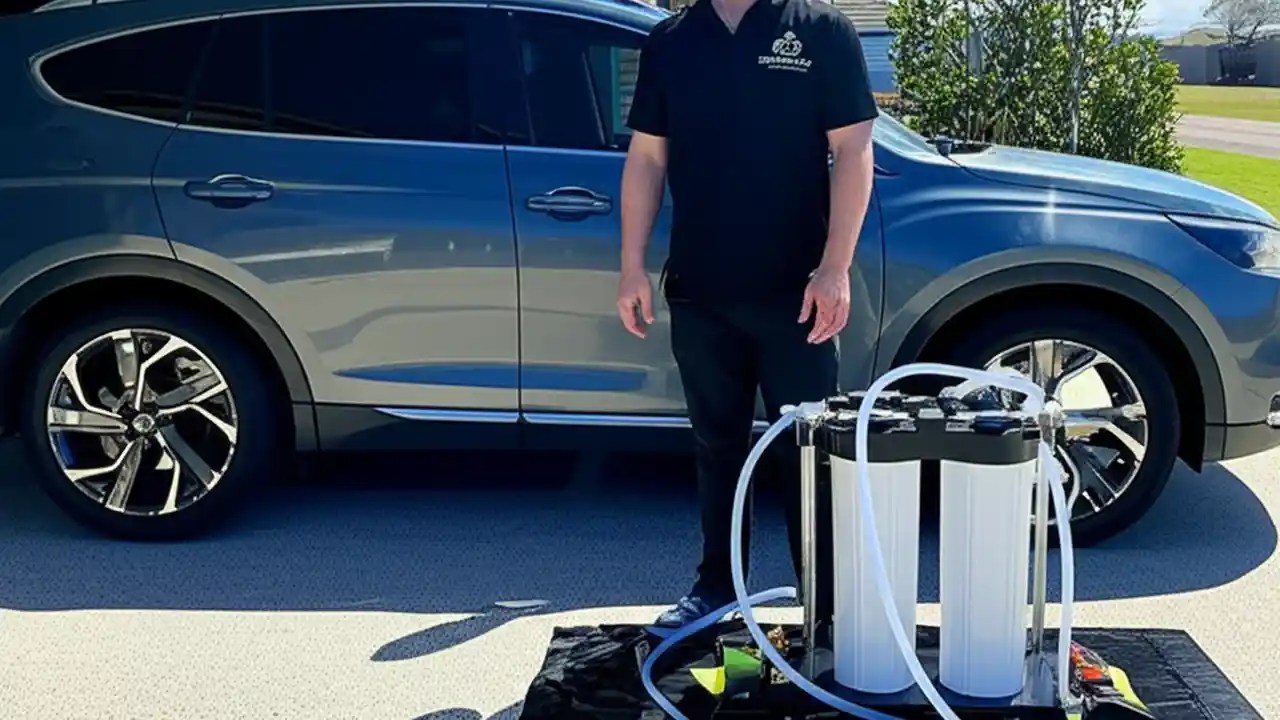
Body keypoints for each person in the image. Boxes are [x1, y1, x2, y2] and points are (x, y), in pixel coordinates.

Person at [616, 0, 879, 629]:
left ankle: (823, 597)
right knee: (716, 444)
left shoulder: (821, 32)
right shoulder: (671, 42)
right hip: (701, 290)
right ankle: (718, 586)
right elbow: (648, 158)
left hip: (798, 296)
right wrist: (631, 265)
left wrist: (835, 266)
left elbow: (853, 150)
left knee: (808, 449)